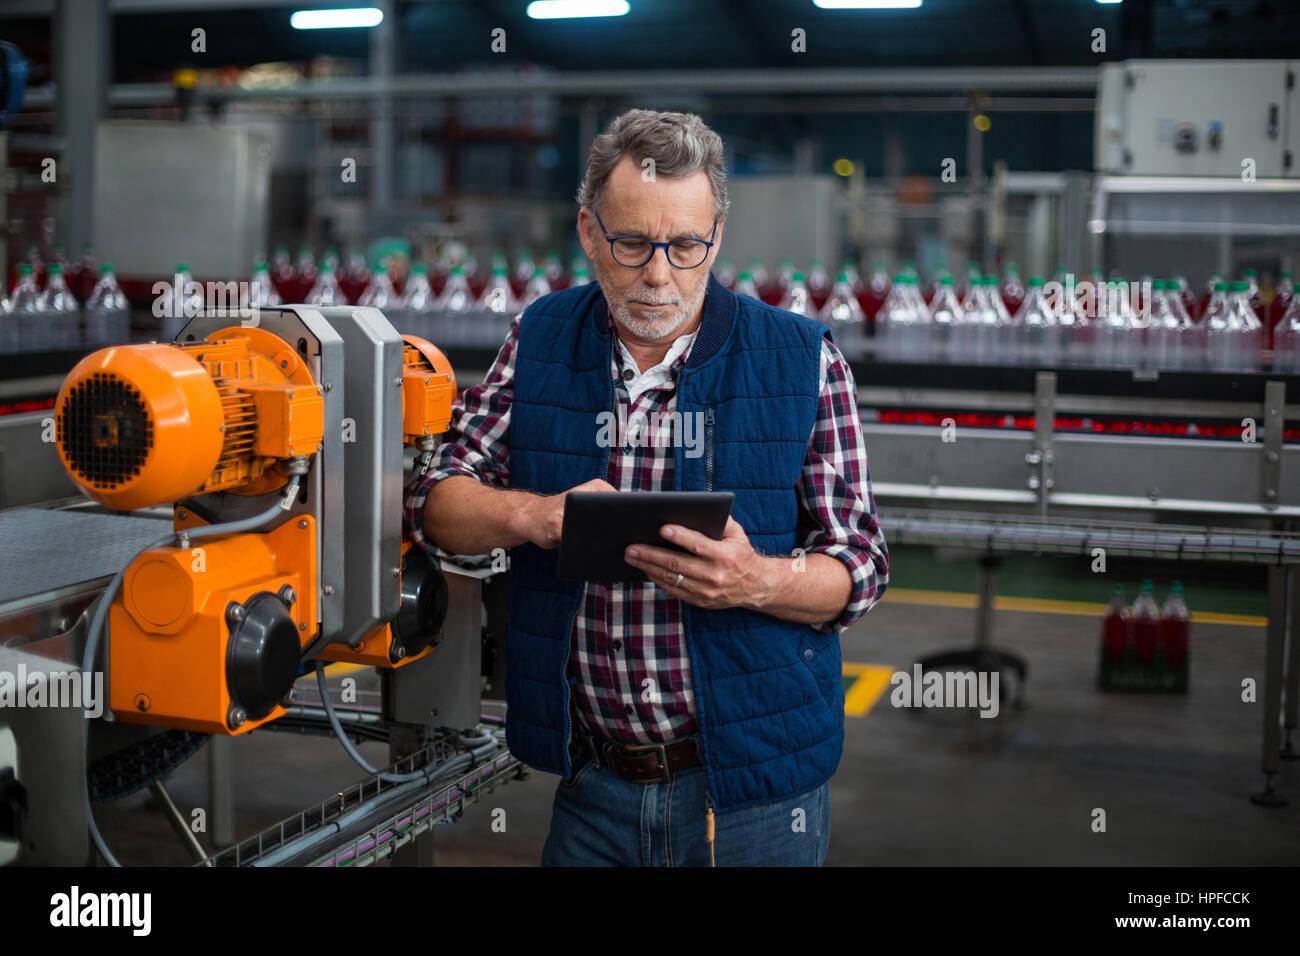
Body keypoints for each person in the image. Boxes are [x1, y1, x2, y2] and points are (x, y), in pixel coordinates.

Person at [404, 109, 889, 866]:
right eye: (631, 243)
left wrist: (757, 581)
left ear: (717, 236)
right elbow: (436, 502)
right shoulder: (540, 341)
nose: (659, 273)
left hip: (754, 794)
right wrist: (537, 515)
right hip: (594, 787)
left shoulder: (801, 361)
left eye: (686, 245)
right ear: (590, 233)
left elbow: (860, 568)